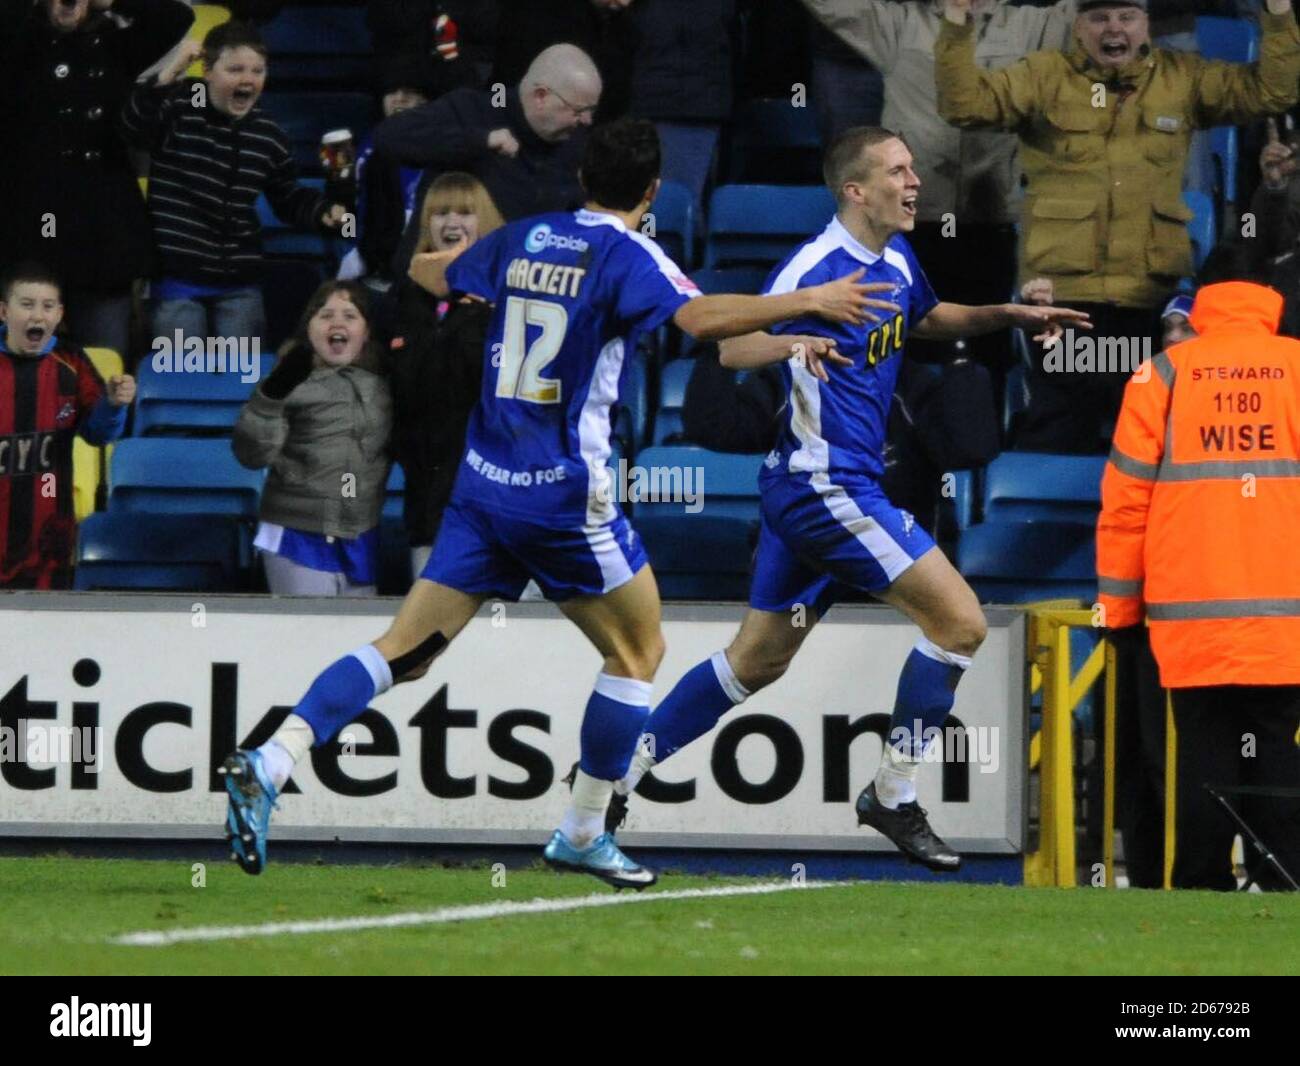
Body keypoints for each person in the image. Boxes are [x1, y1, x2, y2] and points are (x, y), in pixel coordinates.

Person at [218, 117, 891, 885]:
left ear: (580, 180)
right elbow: (701, 321)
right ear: (650, 191)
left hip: (480, 489)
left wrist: (480, 272)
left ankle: (275, 757)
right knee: (638, 652)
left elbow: (434, 274)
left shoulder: (527, 236)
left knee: (404, 651)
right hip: (566, 494)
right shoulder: (628, 254)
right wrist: (812, 299)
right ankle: (580, 831)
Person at [604, 127, 1090, 870]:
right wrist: (795, 341)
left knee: (754, 663)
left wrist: (1005, 315)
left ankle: (614, 774)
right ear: (855, 190)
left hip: (820, 492)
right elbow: (731, 348)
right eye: (898, 171)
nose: (915, 182)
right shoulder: (815, 269)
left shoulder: (894, 256)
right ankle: (892, 795)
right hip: (825, 484)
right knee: (960, 624)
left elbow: (924, 318)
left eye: (913, 169)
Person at [936, 0, 1300, 454]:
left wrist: (1279, 12)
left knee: (1160, 433)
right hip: (1064, 302)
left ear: (1146, 24)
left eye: (1127, 17)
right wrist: (956, 21)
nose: (1114, 29)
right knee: (1063, 427)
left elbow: (1273, 92)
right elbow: (964, 105)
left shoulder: (1182, 77)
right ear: (1079, 25)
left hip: (1149, 300)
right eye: (1100, 18)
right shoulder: (1043, 75)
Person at [1097, 244, 1300, 890]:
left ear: (1204, 296)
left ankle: (1198, 899)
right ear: (1270, 294)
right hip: (1285, 622)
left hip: (1190, 623)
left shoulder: (1162, 376)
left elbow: (1125, 505)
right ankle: (1286, 892)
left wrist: (1119, 609)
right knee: (1275, 758)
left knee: (1201, 765)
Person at [802, 0, 1076, 368]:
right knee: (906, 357)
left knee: (987, 356)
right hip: (911, 225)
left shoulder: (1031, 26)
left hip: (989, 221)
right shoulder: (898, 23)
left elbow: (1096, 12)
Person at [118, 22, 347, 350]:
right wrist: (169, 74)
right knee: (183, 386)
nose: (248, 79)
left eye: (257, 70)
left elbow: (288, 197)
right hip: (176, 280)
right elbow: (132, 128)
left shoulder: (269, 134)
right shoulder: (183, 104)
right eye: (235, 69)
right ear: (208, 71)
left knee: (242, 386)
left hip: (240, 285)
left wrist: (323, 210)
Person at [0, 0, 194, 357]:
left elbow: (177, 16)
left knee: (103, 362)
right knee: (19, 362)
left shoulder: (113, 45)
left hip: (100, 234)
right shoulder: (17, 39)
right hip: (31, 224)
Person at [372, 42, 601, 279]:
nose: (586, 120)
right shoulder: (473, 110)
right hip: (431, 286)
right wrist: (481, 141)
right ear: (541, 96)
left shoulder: (578, 147)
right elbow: (388, 137)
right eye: (578, 110)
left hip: (517, 292)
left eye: (591, 110)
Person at [390, 173, 505, 576]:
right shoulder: (404, 299)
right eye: (440, 213)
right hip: (427, 499)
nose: (451, 223)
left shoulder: (509, 295)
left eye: (464, 212)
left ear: (485, 223)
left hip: (493, 495)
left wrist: (478, 308)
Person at [0, 262, 134, 589]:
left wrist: (113, 405)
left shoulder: (71, 363)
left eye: (47, 306)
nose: (37, 316)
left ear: (59, 314)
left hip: (49, 548)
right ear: (4, 311)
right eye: (26, 304)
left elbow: (98, 434)